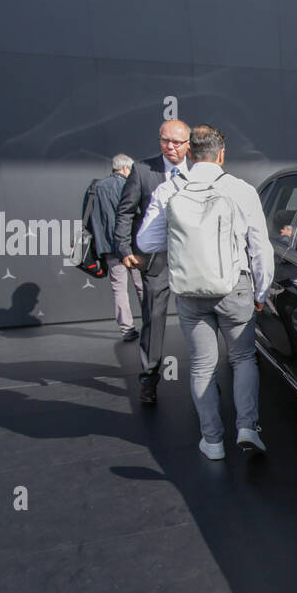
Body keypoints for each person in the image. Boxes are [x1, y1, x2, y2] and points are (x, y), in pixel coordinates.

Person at [135, 124, 274, 460]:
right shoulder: (241, 190)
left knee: (201, 365)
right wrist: (261, 291)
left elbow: (145, 242)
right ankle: (247, 427)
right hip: (234, 287)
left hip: (189, 291)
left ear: (190, 153)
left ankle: (211, 441)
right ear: (221, 154)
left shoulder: (170, 191)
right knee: (242, 359)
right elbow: (260, 248)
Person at [115, 119, 191, 404]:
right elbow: (124, 212)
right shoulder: (143, 170)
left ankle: (205, 379)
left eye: (176, 142)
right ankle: (149, 378)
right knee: (154, 319)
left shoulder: (197, 171)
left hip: (192, 260)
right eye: (164, 140)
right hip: (155, 260)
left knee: (197, 320)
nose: (170, 147)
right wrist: (124, 248)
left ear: (188, 143)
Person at [92, 154, 141, 342]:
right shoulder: (128, 186)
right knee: (141, 285)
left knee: (118, 289)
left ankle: (127, 329)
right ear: (126, 169)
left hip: (109, 247)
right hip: (130, 245)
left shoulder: (96, 188)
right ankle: (150, 323)